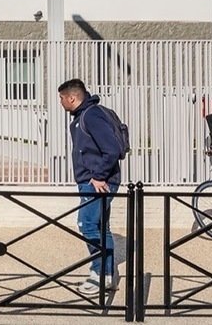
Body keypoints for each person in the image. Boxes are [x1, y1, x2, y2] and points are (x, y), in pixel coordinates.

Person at [58, 78, 122, 297]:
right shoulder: (84, 116)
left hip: (97, 183)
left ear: (72, 97)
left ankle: (99, 275)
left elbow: (111, 149)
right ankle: (107, 276)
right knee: (101, 227)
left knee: (87, 225)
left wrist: (98, 176)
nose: (61, 102)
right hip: (96, 181)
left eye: (61, 98)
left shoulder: (91, 116)